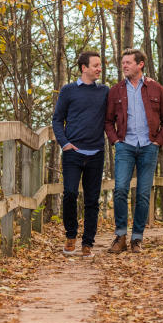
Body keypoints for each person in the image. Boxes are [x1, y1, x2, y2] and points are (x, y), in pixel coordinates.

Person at [104, 48, 163, 253]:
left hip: (148, 147)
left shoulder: (155, 88)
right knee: (120, 191)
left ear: (140, 64)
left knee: (143, 194)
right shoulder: (116, 90)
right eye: (123, 63)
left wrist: (158, 142)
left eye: (128, 62)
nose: (124, 65)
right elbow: (108, 121)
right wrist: (116, 141)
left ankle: (137, 238)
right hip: (125, 146)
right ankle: (120, 236)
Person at [51, 51, 108, 257]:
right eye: (96, 65)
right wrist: (64, 143)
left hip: (96, 152)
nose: (99, 69)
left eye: (100, 65)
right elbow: (57, 119)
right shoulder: (68, 91)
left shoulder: (104, 91)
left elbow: (122, 99)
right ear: (84, 68)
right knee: (70, 194)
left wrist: (147, 79)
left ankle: (88, 243)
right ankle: (71, 235)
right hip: (73, 153)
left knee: (92, 200)